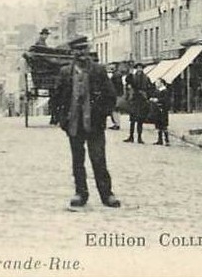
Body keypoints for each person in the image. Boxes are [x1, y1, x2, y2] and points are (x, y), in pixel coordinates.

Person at [50, 53, 121, 209]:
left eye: (84, 51)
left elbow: (111, 96)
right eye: (78, 51)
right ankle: (80, 194)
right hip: (74, 124)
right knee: (78, 160)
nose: (81, 55)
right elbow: (56, 97)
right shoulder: (65, 73)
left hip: (94, 124)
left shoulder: (98, 71)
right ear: (73, 54)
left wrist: (102, 114)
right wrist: (62, 119)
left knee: (98, 159)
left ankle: (107, 194)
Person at [123, 63, 152, 144]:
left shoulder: (146, 78)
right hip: (134, 100)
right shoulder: (132, 77)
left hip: (142, 100)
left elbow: (150, 88)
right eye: (138, 68)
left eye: (141, 68)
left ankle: (139, 137)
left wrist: (147, 96)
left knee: (140, 120)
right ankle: (131, 136)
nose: (139, 69)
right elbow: (127, 82)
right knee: (132, 120)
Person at [150, 78, 171, 146]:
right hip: (157, 109)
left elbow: (166, 100)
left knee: (164, 125)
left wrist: (158, 100)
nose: (156, 84)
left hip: (163, 109)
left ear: (161, 83)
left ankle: (167, 140)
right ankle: (160, 140)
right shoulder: (157, 91)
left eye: (157, 82)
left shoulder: (165, 91)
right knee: (158, 124)